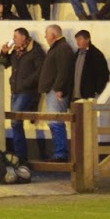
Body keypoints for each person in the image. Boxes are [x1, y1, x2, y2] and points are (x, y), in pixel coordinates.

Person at [0, 28, 44, 164]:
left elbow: (40, 70)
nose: (14, 39)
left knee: (15, 121)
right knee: (16, 122)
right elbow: (4, 64)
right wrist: (4, 53)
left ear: (24, 38)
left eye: (16, 37)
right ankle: (21, 155)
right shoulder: (16, 51)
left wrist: (26, 83)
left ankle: (21, 155)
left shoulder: (35, 50)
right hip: (15, 90)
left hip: (27, 90)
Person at [39, 24, 75, 161]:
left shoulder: (62, 49)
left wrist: (59, 89)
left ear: (53, 35)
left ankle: (60, 153)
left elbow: (64, 71)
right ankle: (58, 152)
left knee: (56, 122)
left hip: (56, 92)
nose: (45, 37)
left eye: (46, 34)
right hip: (53, 90)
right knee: (53, 121)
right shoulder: (59, 48)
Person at [71, 31, 109, 100]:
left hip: (89, 96)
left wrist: (97, 90)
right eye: (76, 40)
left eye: (80, 39)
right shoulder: (76, 55)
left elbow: (103, 74)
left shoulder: (96, 55)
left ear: (87, 40)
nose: (77, 42)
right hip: (75, 96)